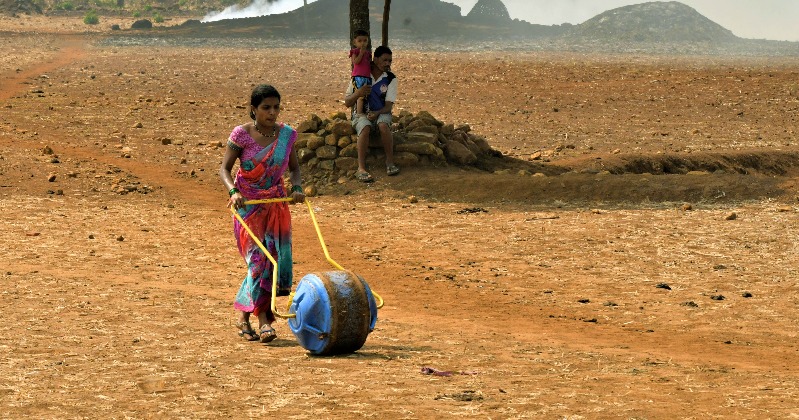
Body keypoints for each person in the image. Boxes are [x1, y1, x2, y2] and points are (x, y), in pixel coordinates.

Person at [218, 84, 305, 343]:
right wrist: (233, 192)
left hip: (276, 205)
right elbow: (224, 169)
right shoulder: (241, 135)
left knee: (273, 261)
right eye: (266, 108)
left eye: (276, 107)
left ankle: (245, 317)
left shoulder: (287, 135)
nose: (272, 113)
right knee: (258, 261)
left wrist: (297, 187)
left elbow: (295, 169)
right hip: (246, 207)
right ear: (253, 109)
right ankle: (265, 320)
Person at [344, 45, 400, 183]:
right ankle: (361, 168)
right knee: (364, 127)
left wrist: (377, 113)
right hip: (361, 114)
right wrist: (358, 93)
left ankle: (389, 162)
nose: (387, 64)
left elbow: (388, 106)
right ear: (375, 59)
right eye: (385, 60)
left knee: (383, 125)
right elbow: (347, 102)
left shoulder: (391, 79)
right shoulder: (360, 76)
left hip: (381, 112)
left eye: (390, 61)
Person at [349, 29, 372, 116]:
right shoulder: (355, 52)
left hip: (367, 76)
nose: (362, 43)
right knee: (360, 96)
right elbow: (356, 62)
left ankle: (365, 111)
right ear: (355, 42)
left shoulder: (368, 53)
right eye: (359, 41)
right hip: (358, 76)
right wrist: (361, 53)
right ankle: (359, 113)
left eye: (365, 41)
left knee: (366, 95)